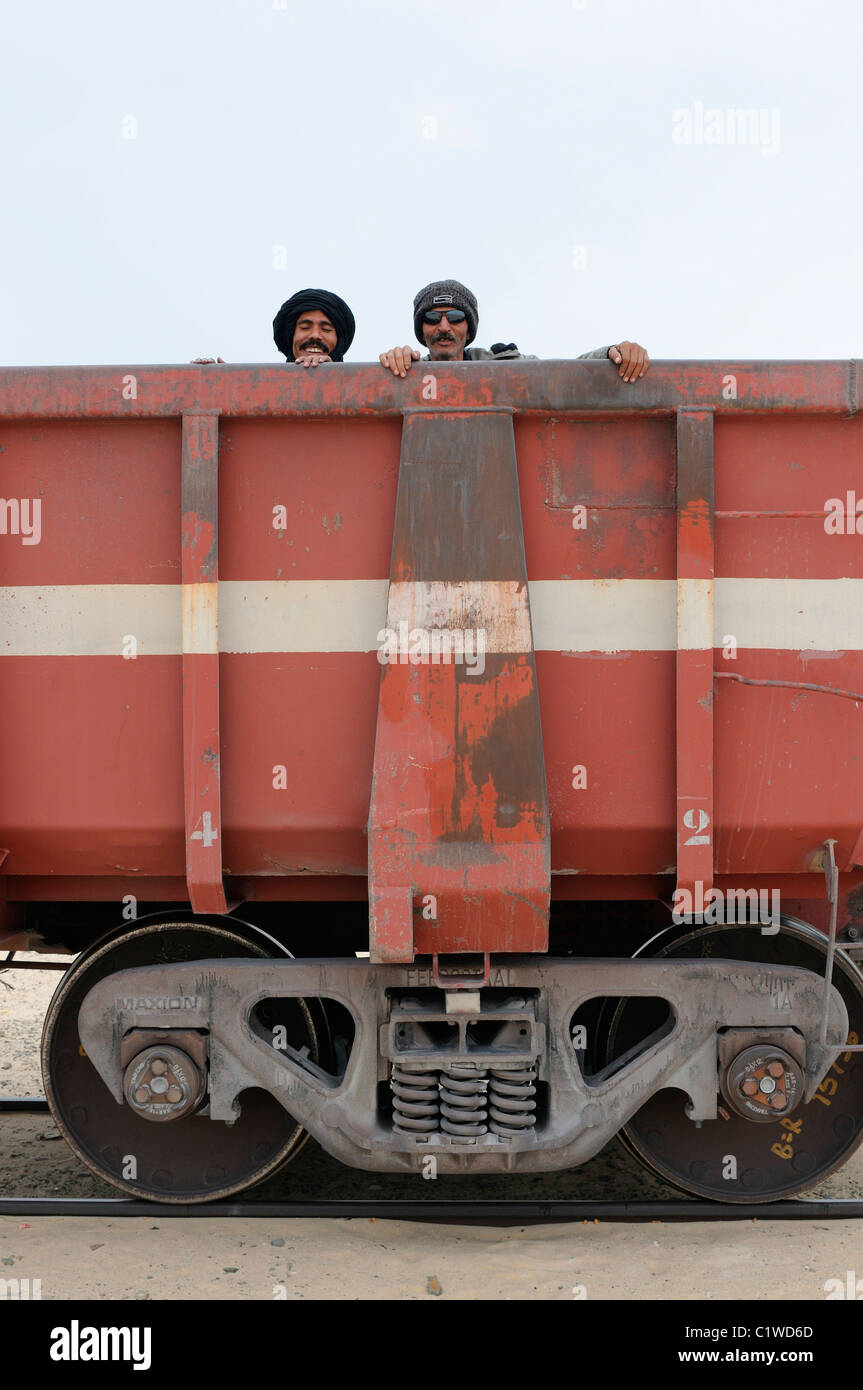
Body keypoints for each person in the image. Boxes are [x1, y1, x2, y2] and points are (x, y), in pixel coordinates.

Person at [378, 279, 649, 382]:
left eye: (456, 317)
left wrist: (613, 352)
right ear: (421, 331)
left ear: (469, 330)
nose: (444, 327)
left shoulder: (505, 366)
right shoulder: (405, 371)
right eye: (433, 318)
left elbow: (563, 374)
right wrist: (392, 370)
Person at [192, 287, 356, 369]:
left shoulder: (361, 388)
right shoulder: (259, 391)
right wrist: (211, 381)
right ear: (291, 336)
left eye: (326, 329)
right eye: (305, 327)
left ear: (340, 339)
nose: (315, 335)